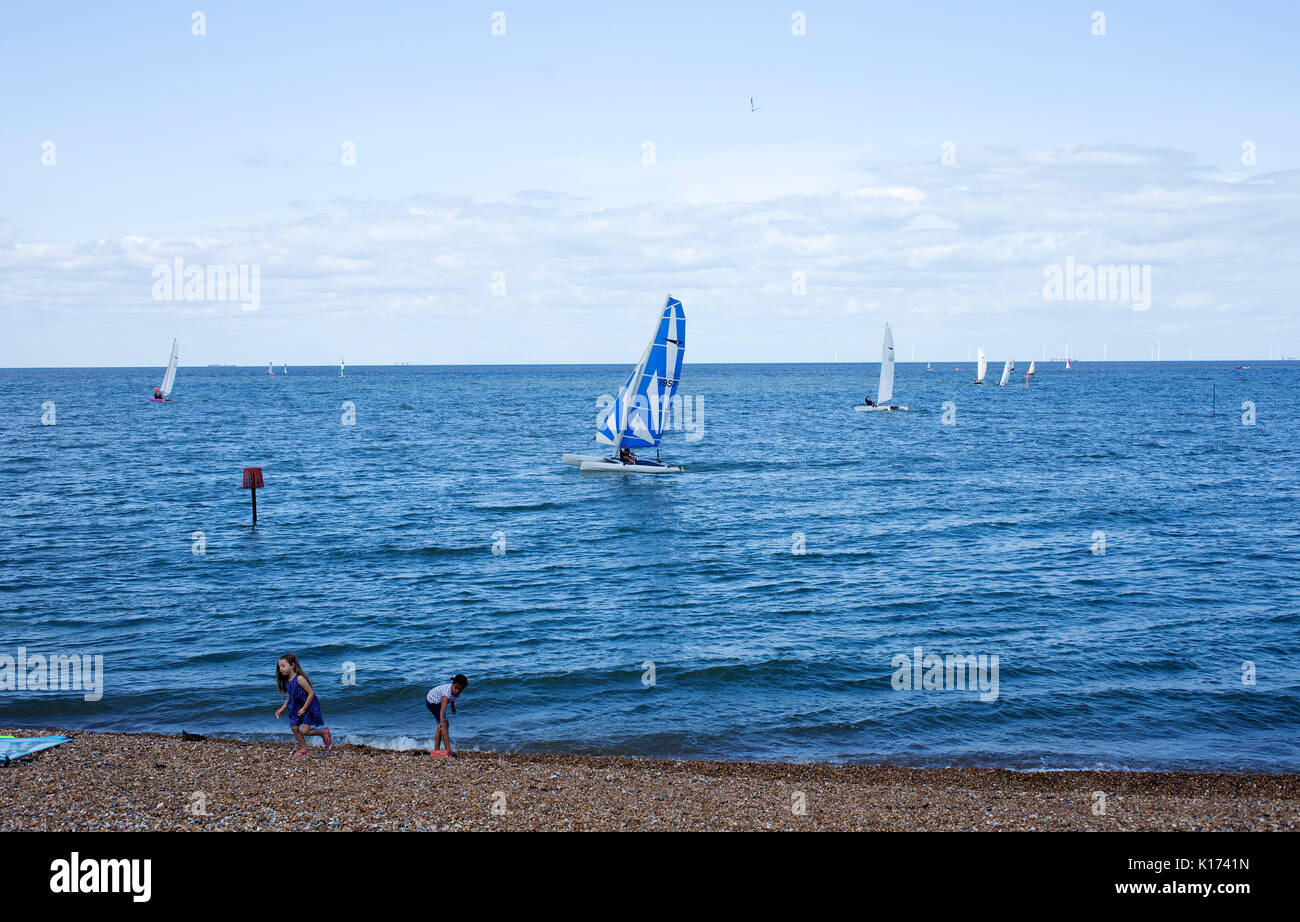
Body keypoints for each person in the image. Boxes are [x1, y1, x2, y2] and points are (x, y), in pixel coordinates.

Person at [275, 654, 332, 756]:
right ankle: (304, 748)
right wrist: (282, 708)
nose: (280, 669)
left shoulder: (299, 678)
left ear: (292, 665)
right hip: (297, 706)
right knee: (294, 727)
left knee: (305, 731)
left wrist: (305, 708)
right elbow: (290, 696)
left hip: (308, 706)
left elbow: (311, 693)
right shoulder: (287, 680)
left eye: (283, 666)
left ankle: (324, 733)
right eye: (279, 667)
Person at [426, 674, 468, 757]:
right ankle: (448, 750)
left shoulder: (456, 692)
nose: (457, 691)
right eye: (456, 688)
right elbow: (442, 709)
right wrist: (441, 722)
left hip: (438, 702)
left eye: (460, 689)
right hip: (432, 702)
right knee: (444, 724)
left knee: (444, 725)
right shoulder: (447, 692)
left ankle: (436, 750)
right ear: (452, 684)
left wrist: (453, 707)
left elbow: (452, 699)